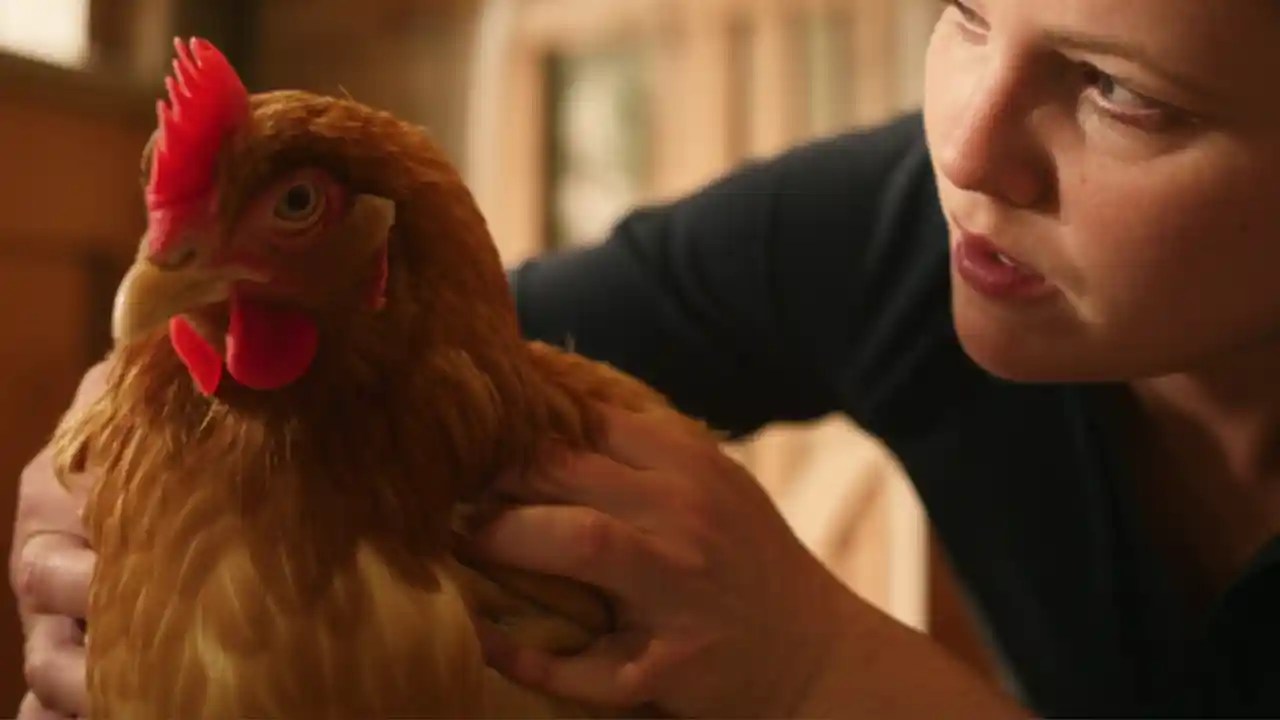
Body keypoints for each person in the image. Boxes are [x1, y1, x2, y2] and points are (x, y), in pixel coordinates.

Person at [12, 0, 1280, 716]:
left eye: (1121, 94)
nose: (964, 146)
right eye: (962, 11)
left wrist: (819, 668)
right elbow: (429, 337)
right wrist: (125, 474)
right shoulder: (912, 230)